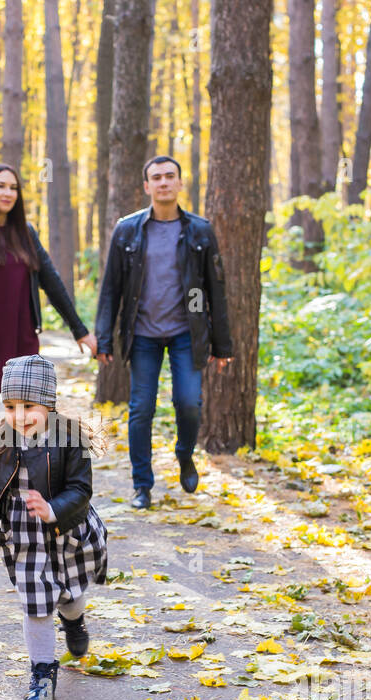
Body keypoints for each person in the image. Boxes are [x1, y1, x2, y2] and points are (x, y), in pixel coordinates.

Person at [0, 355, 108, 700]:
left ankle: (74, 622)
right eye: (10, 406)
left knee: (70, 597)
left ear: (48, 403)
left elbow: (81, 490)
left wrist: (52, 509)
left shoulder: (70, 439)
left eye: (29, 406)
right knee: (36, 605)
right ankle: (42, 673)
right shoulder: (4, 438)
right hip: (26, 537)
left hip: (68, 531)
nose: (19, 415)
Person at [94, 155, 233, 509]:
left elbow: (215, 290)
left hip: (187, 332)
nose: (163, 182)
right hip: (142, 334)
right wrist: (104, 337)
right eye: (156, 177)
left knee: (189, 402)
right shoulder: (128, 230)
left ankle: (184, 454)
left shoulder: (200, 231)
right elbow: (110, 288)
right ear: (146, 186)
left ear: (180, 183)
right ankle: (142, 485)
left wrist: (222, 344)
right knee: (141, 409)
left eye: (170, 176)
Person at [0, 163, 98, 471]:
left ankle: (27, 478)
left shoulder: (25, 233)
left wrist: (79, 330)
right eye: (0, 186)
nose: (7, 193)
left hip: (20, 336)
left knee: (28, 413)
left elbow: (51, 282)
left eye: (13, 188)